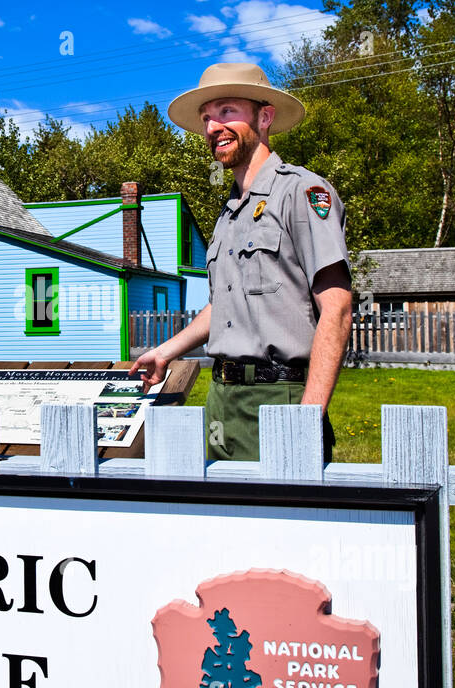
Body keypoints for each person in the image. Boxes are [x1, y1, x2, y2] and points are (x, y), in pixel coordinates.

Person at [130, 62, 352, 463]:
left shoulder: (303, 193)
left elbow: (336, 308)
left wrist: (308, 418)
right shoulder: (229, 213)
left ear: (264, 117)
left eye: (227, 111)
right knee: (220, 522)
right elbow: (224, 308)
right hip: (221, 401)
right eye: (207, 118)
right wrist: (166, 351)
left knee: (280, 523)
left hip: (277, 399)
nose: (214, 126)